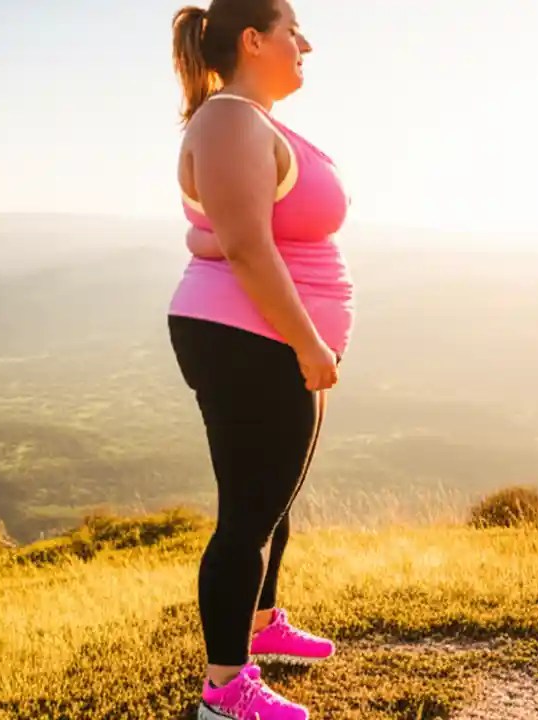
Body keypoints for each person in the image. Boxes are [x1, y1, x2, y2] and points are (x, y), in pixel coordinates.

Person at [167, 0, 355, 718]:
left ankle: (262, 624)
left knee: (273, 499)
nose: (304, 43)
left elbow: (231, 231)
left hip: (272, 334)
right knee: (246, 516)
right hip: (250, 338)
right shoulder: (228, 120)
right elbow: (244, 244)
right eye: (290, 31)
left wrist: (311, 337)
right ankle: (223, 693)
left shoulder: (252, 122)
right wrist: (307, 341)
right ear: (253, 39)